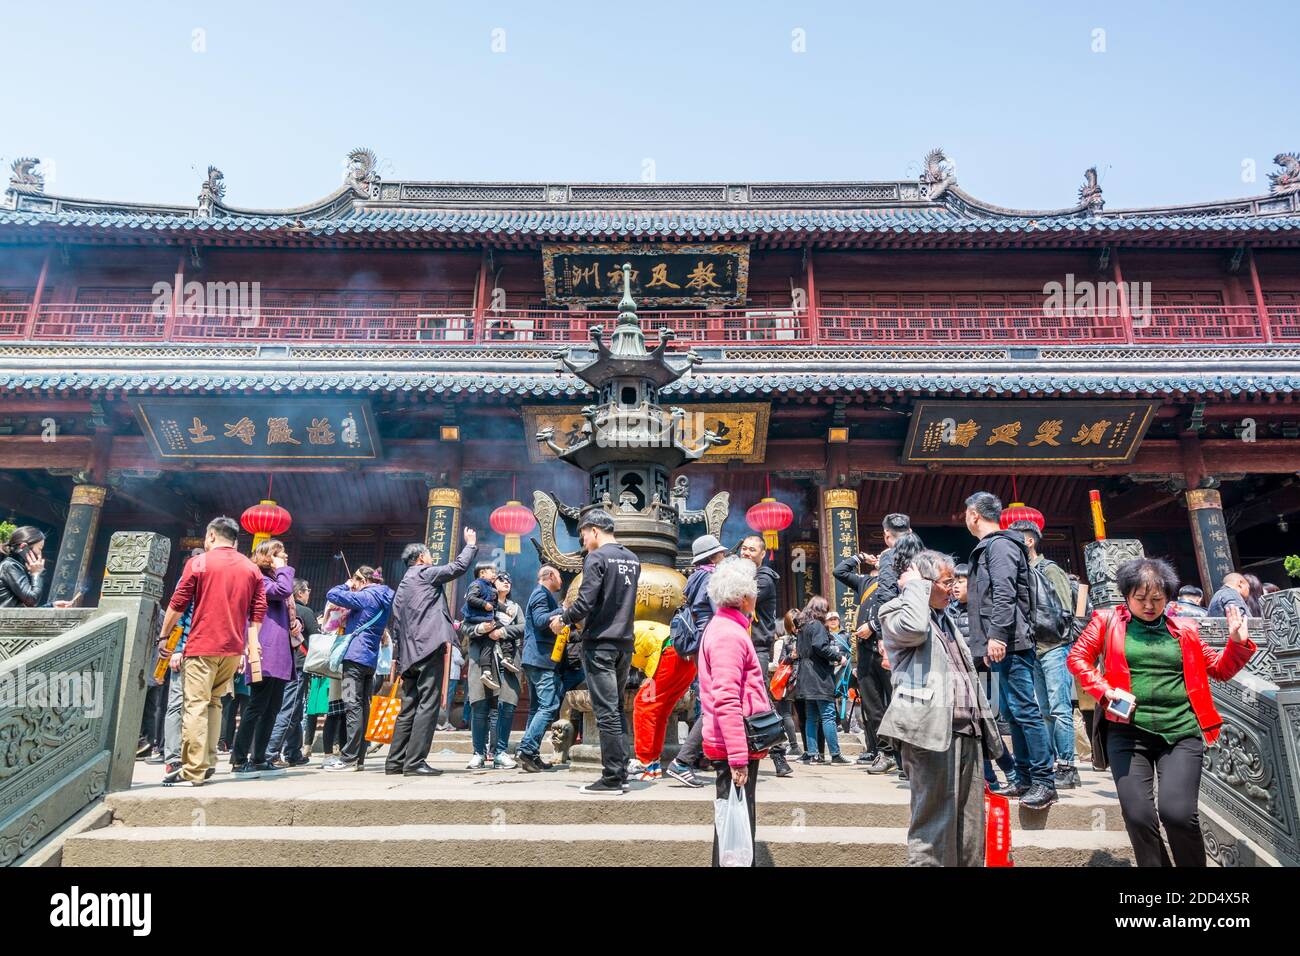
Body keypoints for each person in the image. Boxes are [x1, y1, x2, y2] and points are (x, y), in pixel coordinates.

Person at [1068, 557, 1256, 867]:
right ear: (1127, 596)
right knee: (1138, 815)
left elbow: (1220, 671)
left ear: (1167, 596)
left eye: (1157, 598)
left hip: (1180, 732)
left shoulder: (1185, 628)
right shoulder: (1106, 621)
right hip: (1127, 733)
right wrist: (1104, 690)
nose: (1149, 605)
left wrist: (1237, 643)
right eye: (1140, 598)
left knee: (1178, 814)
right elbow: (1077, 659)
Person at [879, 550, 1004, 866]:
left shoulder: (945, 618)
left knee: (970, 827)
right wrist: (913, 588)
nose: (953, 588)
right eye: (947, 582)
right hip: (930, 733)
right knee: (934, 824)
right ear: (924, 583)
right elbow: (915, 629)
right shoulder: (895, 612)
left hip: (966, 731)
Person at [964, 491, 1056, 809]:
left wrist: (998, 636)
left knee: (1025, 710)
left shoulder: (1000, 545)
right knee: (1014, 714)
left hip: (1011, 642)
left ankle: (1044, 780)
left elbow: (1004, 592)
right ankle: (1025, 777)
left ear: (975, 515)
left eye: (967, 513)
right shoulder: (994, 546)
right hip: (1003, 641)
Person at [160, 516, 267, 786]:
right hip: (232, 649)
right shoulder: (251, 568)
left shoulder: (199, 562)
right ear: (235, 539)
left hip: (201, 645)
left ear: (210, 536)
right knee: (215, 703)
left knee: (194, 705)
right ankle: (207, 762)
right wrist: (249, 646)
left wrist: (164, 637)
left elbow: (178, 603)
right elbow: (258, 610)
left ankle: (194, 769)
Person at [549, 509, 640, 795]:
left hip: (600, 643)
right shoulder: (632, 559)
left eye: (584, 535)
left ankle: (612, 778)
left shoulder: (597, 558)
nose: (583, 542)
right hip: (625, 643)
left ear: (595, 530)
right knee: (616, 710)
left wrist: (562, 619)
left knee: (606, 712)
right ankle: (622, 772)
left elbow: (585, 602)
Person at [698, 556, 774, 867]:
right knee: (735, 819)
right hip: (734, 739)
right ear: (743, 597)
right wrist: (738, 757)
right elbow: (727, 698)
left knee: (734, 819)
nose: (757, 596)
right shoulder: (729, 634)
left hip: (734, 738)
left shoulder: (727, 627)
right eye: (754, 591)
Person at [385, 529, 478, 776]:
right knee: (428, 703)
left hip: (409, 655)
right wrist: (470, 544)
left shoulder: (402, 588)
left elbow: (396, 625)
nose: (431, 558)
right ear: (420, 559)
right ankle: (414, 762)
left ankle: (395, 762)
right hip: (428, 648)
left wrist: (398, 658)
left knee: (409, 706)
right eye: (428, 555)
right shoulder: (423, 574)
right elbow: (456, 568)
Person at [636, 534, 726, 786]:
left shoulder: (695, 579)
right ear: (712, 557)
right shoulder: (710, 579)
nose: (724, 556)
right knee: (656, 707)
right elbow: (717, 614)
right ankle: (659, 762)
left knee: (651, 706)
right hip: (686, 652)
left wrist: (648, 677)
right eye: (720, 553)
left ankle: (652, 763)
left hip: (675, 652)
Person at [834, 513, 912, 774]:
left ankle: (904, 757)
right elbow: (839, 571)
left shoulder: (905, 580)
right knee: (873, 705)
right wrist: (859, 558)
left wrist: (876, 629)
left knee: (898, 703)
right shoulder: (866, 582)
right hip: (867, 653)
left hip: (890, 646)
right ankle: (884, 752)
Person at [1009, 519, 1081, 790]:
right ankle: (1051, 762)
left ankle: (1068, 765)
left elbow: (1064, 610)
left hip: (1054, 647)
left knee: (1060, 708)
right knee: (1044, 710)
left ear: (1029, 541)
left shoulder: (1050, 570)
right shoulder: (1022, 571)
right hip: (1034, 648)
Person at [229, 539, 297, 778]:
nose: (285, 556)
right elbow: (282, 591)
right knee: (256, 706)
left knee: (272, 708)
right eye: (280, 553)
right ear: (268, 556)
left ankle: (260, 757)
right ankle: (238, 758)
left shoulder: (276, 577)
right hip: (264, 650)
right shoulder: (260, 579)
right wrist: (282, 569)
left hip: (280, 652)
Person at [323, 566, 394, 771]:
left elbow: (332, 594)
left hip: (352, 659)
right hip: (369, 661)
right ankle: (359, 758)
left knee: (350, 705)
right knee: (363, 707)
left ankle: (347, 759)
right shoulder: (385, 598)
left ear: (363, 580)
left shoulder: (365, 597)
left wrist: (347, 584)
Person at [953, 563, 1017, 791]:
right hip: (962, 678)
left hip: (984, 674)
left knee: (989, 726)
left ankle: (1008, 769)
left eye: (960, 581)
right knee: (975, 728)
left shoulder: (983, 609)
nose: (955, 586)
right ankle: (990, 777)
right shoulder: (951, 611)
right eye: (952, 582)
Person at [736, 535, 793, 777]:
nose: (746, 553)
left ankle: (779, 754)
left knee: (759, 700)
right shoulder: (746, 576)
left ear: (762, 555)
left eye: (752, 550)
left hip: (756, 647)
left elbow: (742, 600)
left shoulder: (764, 579)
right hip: (740, 645)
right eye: (744, 549)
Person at [466, 571, 526, 769]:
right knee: (480, 705)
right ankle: (478, 752)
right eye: (501, 579)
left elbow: (525, 628)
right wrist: (480, 629)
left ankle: (500, 751)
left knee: (506, 707)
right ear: (492, 583)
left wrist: (503, 631)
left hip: (507, 659)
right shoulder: (478, 604)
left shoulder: (514, 608)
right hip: (482, 658)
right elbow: (464, 627)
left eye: (509, 580)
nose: (506, 582)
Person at [517, 564, 565, 772]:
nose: (561, 580)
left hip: (537, 659)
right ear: (551, 576)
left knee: (537, 708)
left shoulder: (544, 595)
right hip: (540, 659)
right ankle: (527, 748)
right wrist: (563, 610)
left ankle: (532, 754)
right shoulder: (540, 594)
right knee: (549, 705)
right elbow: (539, 621)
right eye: (559, 576)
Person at [265, 578, 317, 768]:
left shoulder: (281, 609)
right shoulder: (305, 612)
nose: (309, 593)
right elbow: (315, 639)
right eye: (307, 590)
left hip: (281, 664)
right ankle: (271, 752)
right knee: (290, 709)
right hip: (298, 666)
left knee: (291, 708)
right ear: (300, 593)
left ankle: (293, 752)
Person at [794, 595, 850, 764]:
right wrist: (838, 657)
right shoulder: (817, 625)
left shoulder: (803, 627)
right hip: (819, 675)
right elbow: (820, 646)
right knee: (827, 715)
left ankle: (813, 753)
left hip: (805, 675)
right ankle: (835, 753)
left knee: (812, 716)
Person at [462, 562, 515, 690]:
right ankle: (507, 657)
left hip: (487, 619)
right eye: (492, 572)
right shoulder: (476, 584)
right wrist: (484, 604)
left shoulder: (491, 589)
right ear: (482, 573)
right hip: (476, 618)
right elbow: (470, 598)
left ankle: (486, 672)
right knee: (501, 628)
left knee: (489, 642)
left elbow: (496, 604)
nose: (494, 575)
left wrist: (506, 609)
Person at [0, 525, 51, 608]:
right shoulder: (10, 566)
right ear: (23, 547)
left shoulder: (17, 566)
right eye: (40, 549)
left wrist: (51, 606)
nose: (40, 554)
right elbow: (31, 600)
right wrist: (37, 574)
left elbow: (22, 608)